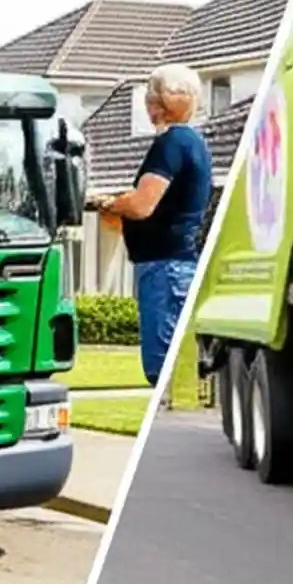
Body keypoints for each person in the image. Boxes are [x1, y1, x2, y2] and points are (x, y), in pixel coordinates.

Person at [97, 64, 211, 386]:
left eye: (151, 96)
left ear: (161, 103)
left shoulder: (171, 144)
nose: (147, 104)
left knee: (160, 367)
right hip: (172, 264)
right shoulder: (192, 142)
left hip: (165, 268)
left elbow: (141, 205)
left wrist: (106, 203)